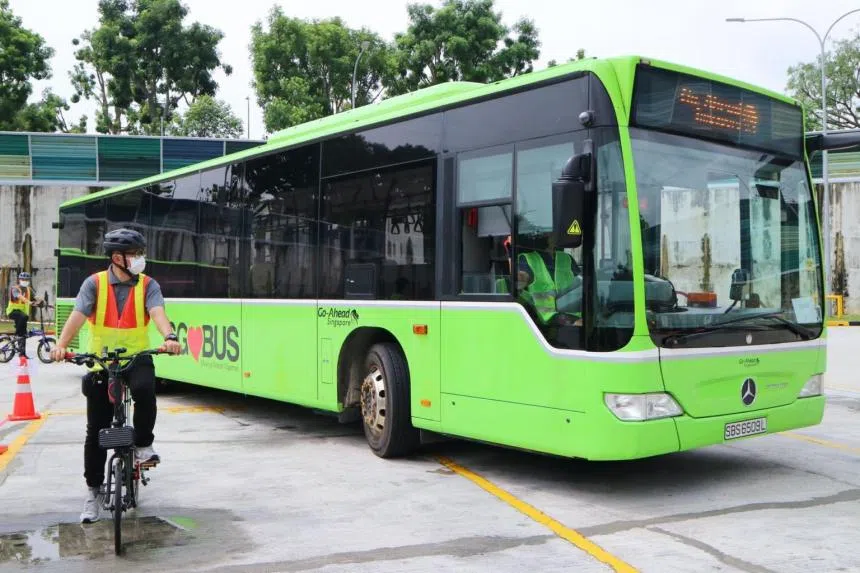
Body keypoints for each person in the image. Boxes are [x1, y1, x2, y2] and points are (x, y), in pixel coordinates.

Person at [50, 228, 182, 524]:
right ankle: (93, 492)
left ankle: (143, 445)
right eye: (134, 254)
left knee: (146, 390)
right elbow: (78, 316)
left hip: (137, 357)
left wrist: (169, 336)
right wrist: (61, 346)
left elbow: (158, 312)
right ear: (117, 258)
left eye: (139, 253)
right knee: (96, 429)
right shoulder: (94, 284)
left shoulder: (148, 285)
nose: (139, 259)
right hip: (102, 361)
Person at [496, 235, 582, 327]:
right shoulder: (527, 259)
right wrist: (511, 254)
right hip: (544, 319)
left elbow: (581, 284)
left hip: (572, 316)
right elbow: (518, 281)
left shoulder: (567, 258)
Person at [5, 271, 44, 357]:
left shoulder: (29, 289)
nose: (25, 280)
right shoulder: (15, 288)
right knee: (24, 317)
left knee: (23, 335)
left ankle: (22, 354)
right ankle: (17, 334)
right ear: (19, 280)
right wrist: (29, 302)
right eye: (23, 279)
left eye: (26, 279)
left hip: (22, 316)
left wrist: (42, 302)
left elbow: (36, 297)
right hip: (12, 312)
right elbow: (20, 297)